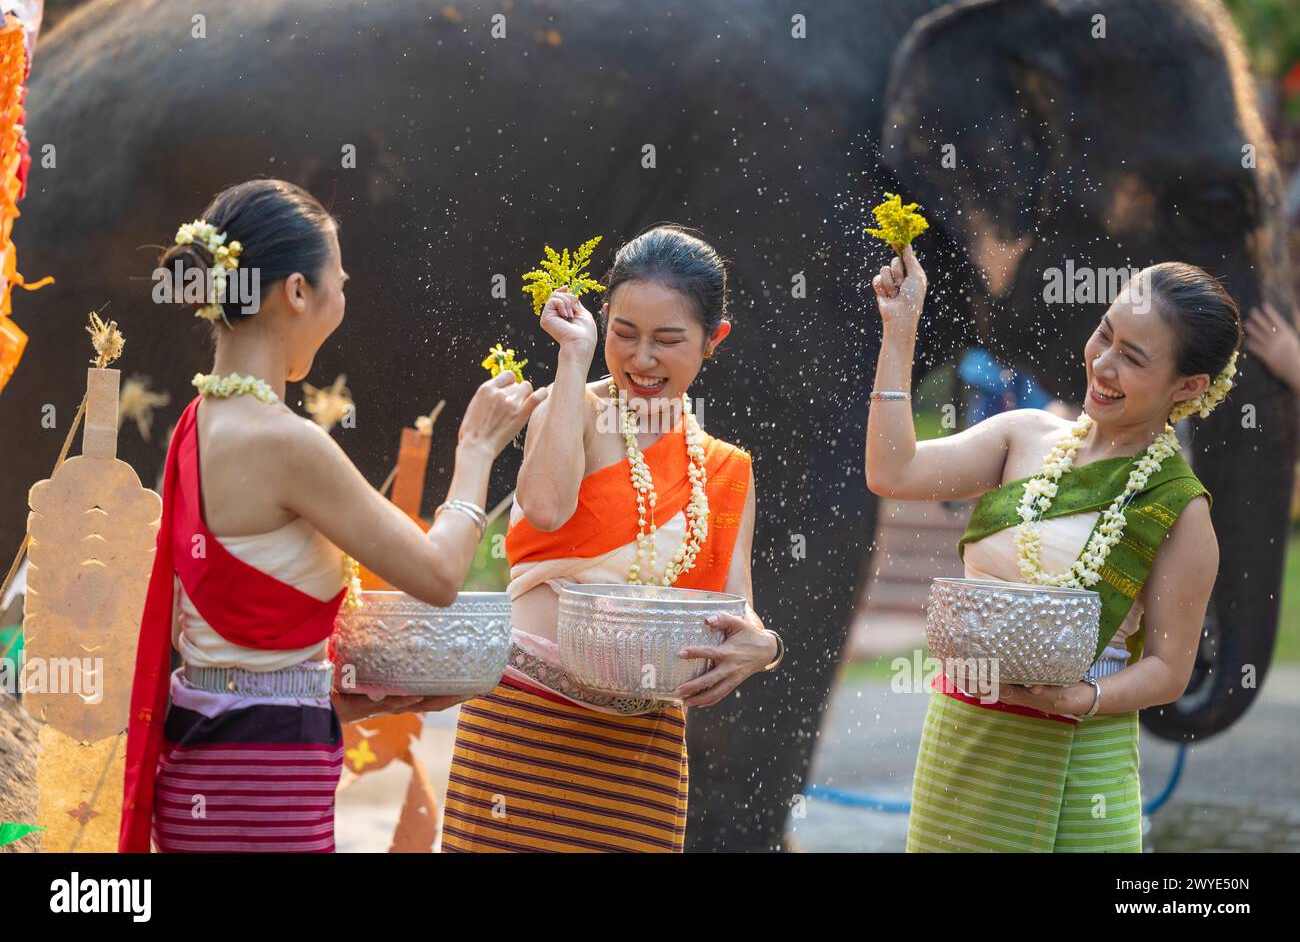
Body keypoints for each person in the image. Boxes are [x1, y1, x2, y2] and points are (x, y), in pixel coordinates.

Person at [120, 179, 544, 852]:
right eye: (337, 282)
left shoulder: (196, 427)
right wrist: (476, 449)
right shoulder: (287, 443)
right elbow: (436, 576)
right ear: (295, 291)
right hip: (266, 781)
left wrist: (333, 700)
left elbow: (219, 645)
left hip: (206, 754)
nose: (342, 300)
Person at [866, 249, 1234, 852]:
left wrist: (1081, 699)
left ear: (1189, 386)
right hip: (963, 737)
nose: (1103, 363)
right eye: (1105, 335)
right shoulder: (1024, 435)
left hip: (1079, 759)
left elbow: (1170, 669)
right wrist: (900, 330)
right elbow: (893, 470)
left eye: (1132, 358)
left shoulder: (1179, 509)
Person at [441, 225, 783, 852]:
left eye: (668, 341)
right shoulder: (574, 410)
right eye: (624, 335)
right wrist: (574, 358)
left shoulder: (726, 468)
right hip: (524, 719)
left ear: (714, 341)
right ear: (602, 322)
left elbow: (736, 605)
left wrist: (764, 645)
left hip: (642, 744)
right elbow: (544, 509)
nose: (641, 359)